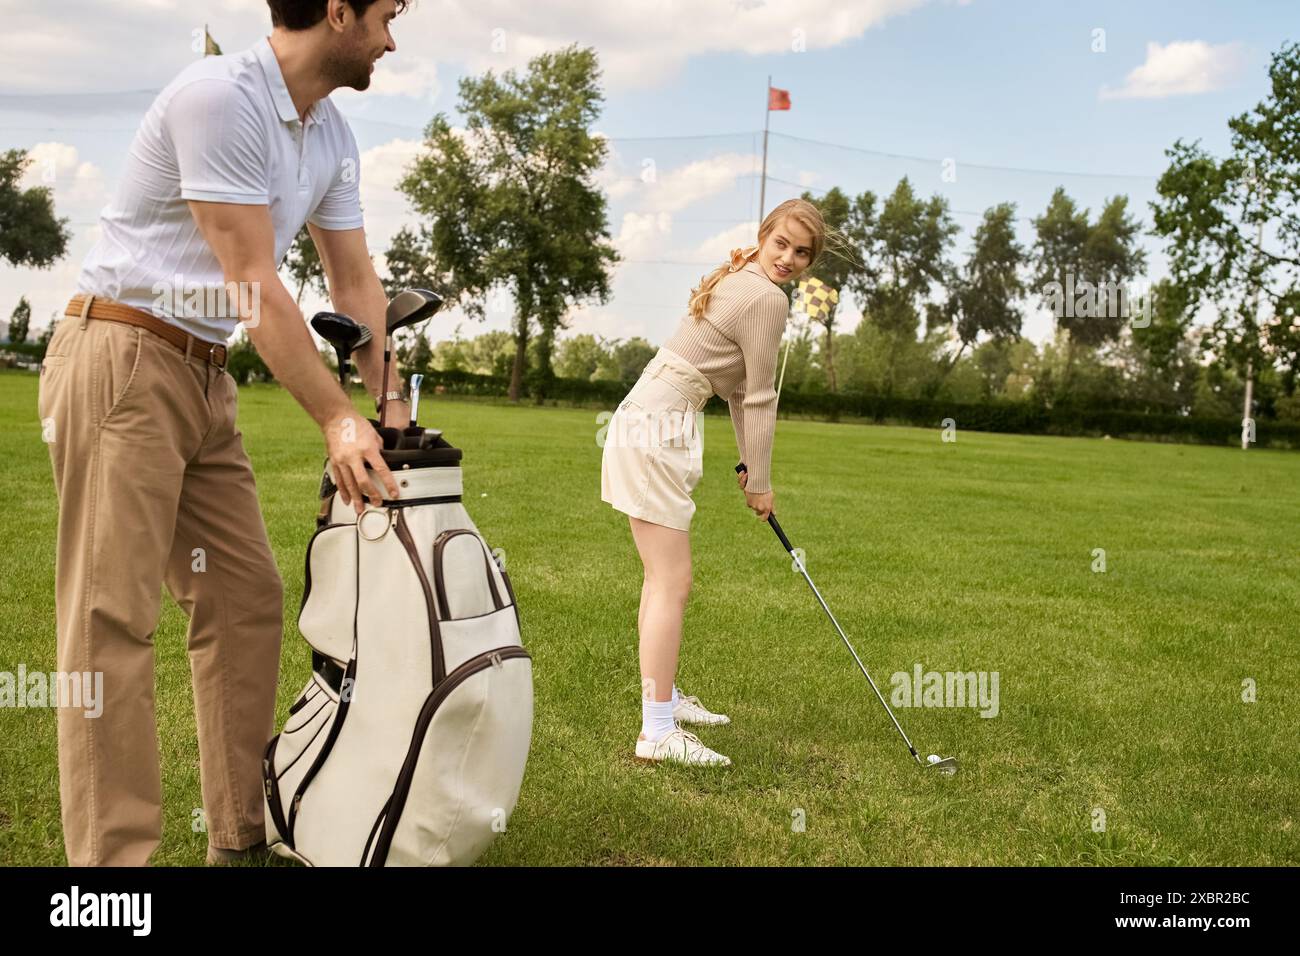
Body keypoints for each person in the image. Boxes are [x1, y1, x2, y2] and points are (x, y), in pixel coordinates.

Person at [36, 0, 414, 866]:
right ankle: (108, 875)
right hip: (122, 355)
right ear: (337, 12)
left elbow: (352, 280)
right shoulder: (219, 97)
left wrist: (388, 406)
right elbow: (252, 283)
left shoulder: (329, 134)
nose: (393, 40)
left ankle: (239, 837)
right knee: (109, 624)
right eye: (388, 17)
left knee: (245, 600)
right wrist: (334, 416)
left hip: (204, 377)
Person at [600, 198, 829, 766]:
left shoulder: (742, 274)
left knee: (665, 580)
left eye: (802, 253)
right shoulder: (767, 298)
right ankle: (656, 731)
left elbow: (732, 390)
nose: (789, 258)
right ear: (764, 235)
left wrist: (751, 462)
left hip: (655, 416)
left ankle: (665, 699)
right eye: (782, 244)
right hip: (657, 426)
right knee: (670, 581)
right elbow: (758, 396)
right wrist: (762, 480)